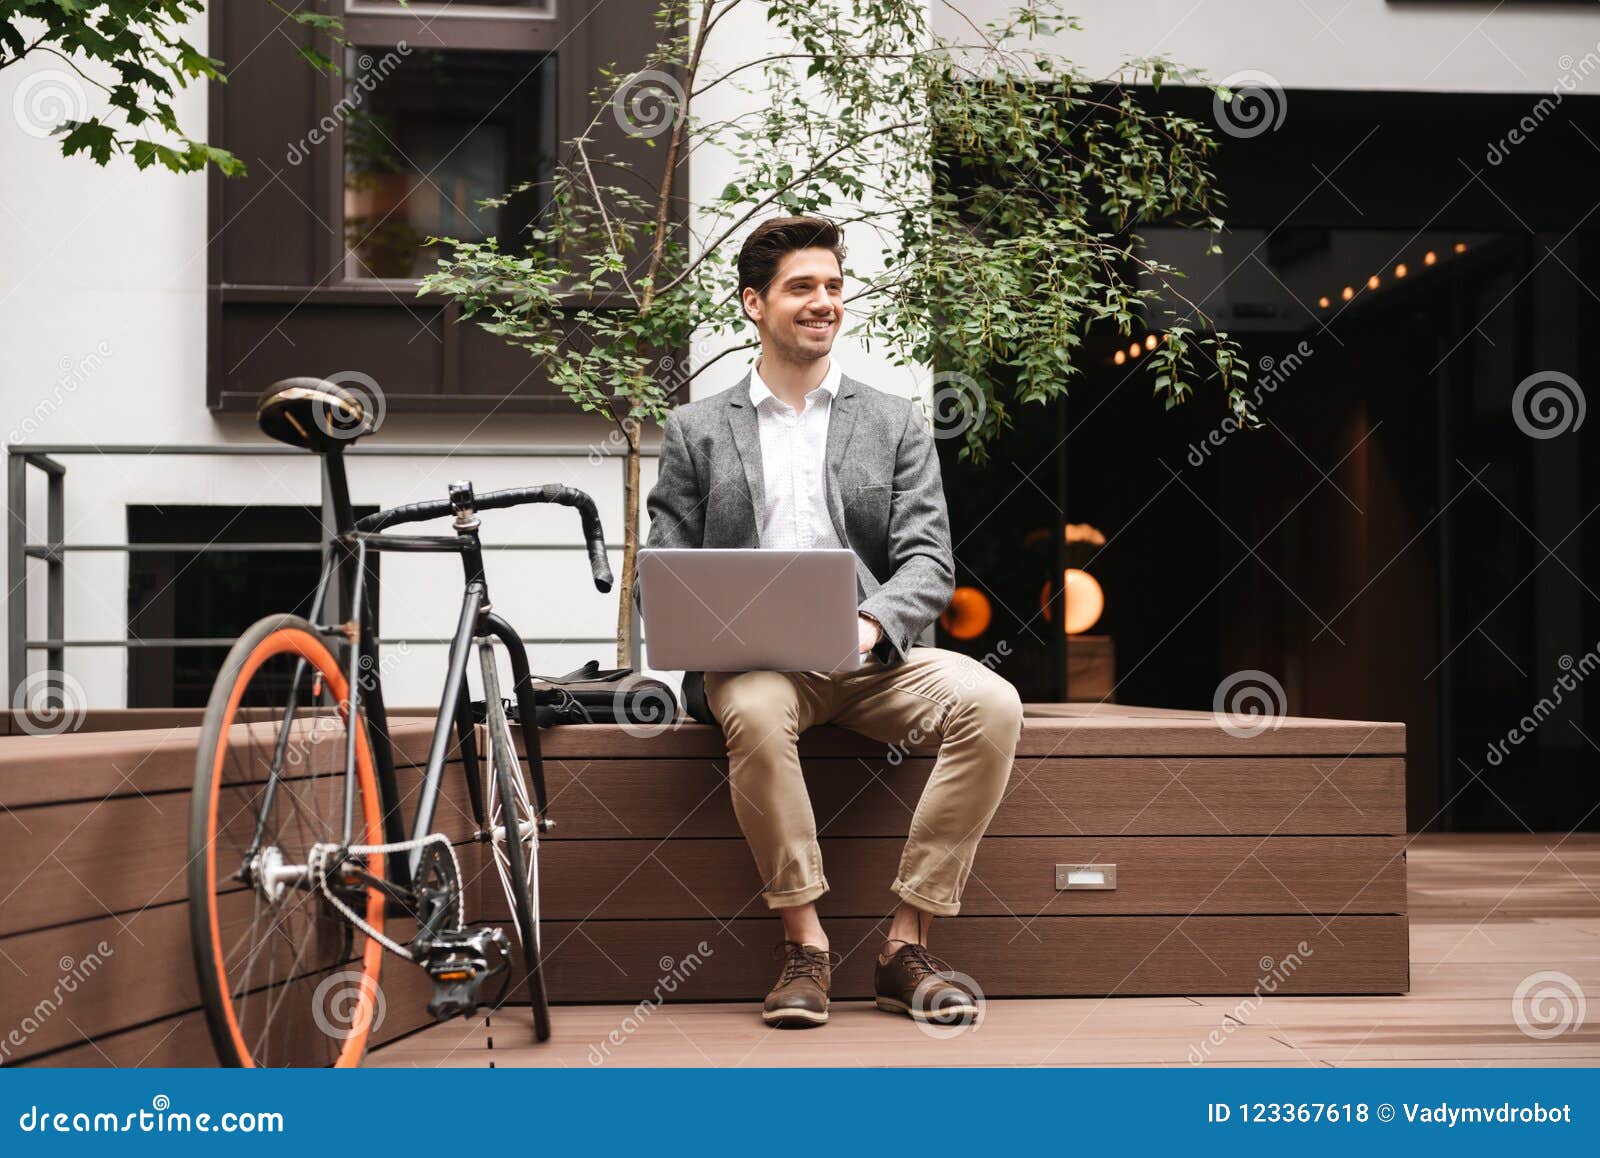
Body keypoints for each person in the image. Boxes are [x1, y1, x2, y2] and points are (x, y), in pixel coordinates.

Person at [639, 214, 1024, 1028]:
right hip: (757, 668)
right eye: (802, 287)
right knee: (753, 709)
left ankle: (905, 944)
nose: (824, 301)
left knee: (992, 702)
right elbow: (664, 572)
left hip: (871, 660)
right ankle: (805, 947)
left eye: (833, 286)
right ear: (755, 303)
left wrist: (871, 625)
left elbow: (929, 564)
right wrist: (711, 629)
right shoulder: (696, 430)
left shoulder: (895, 420)